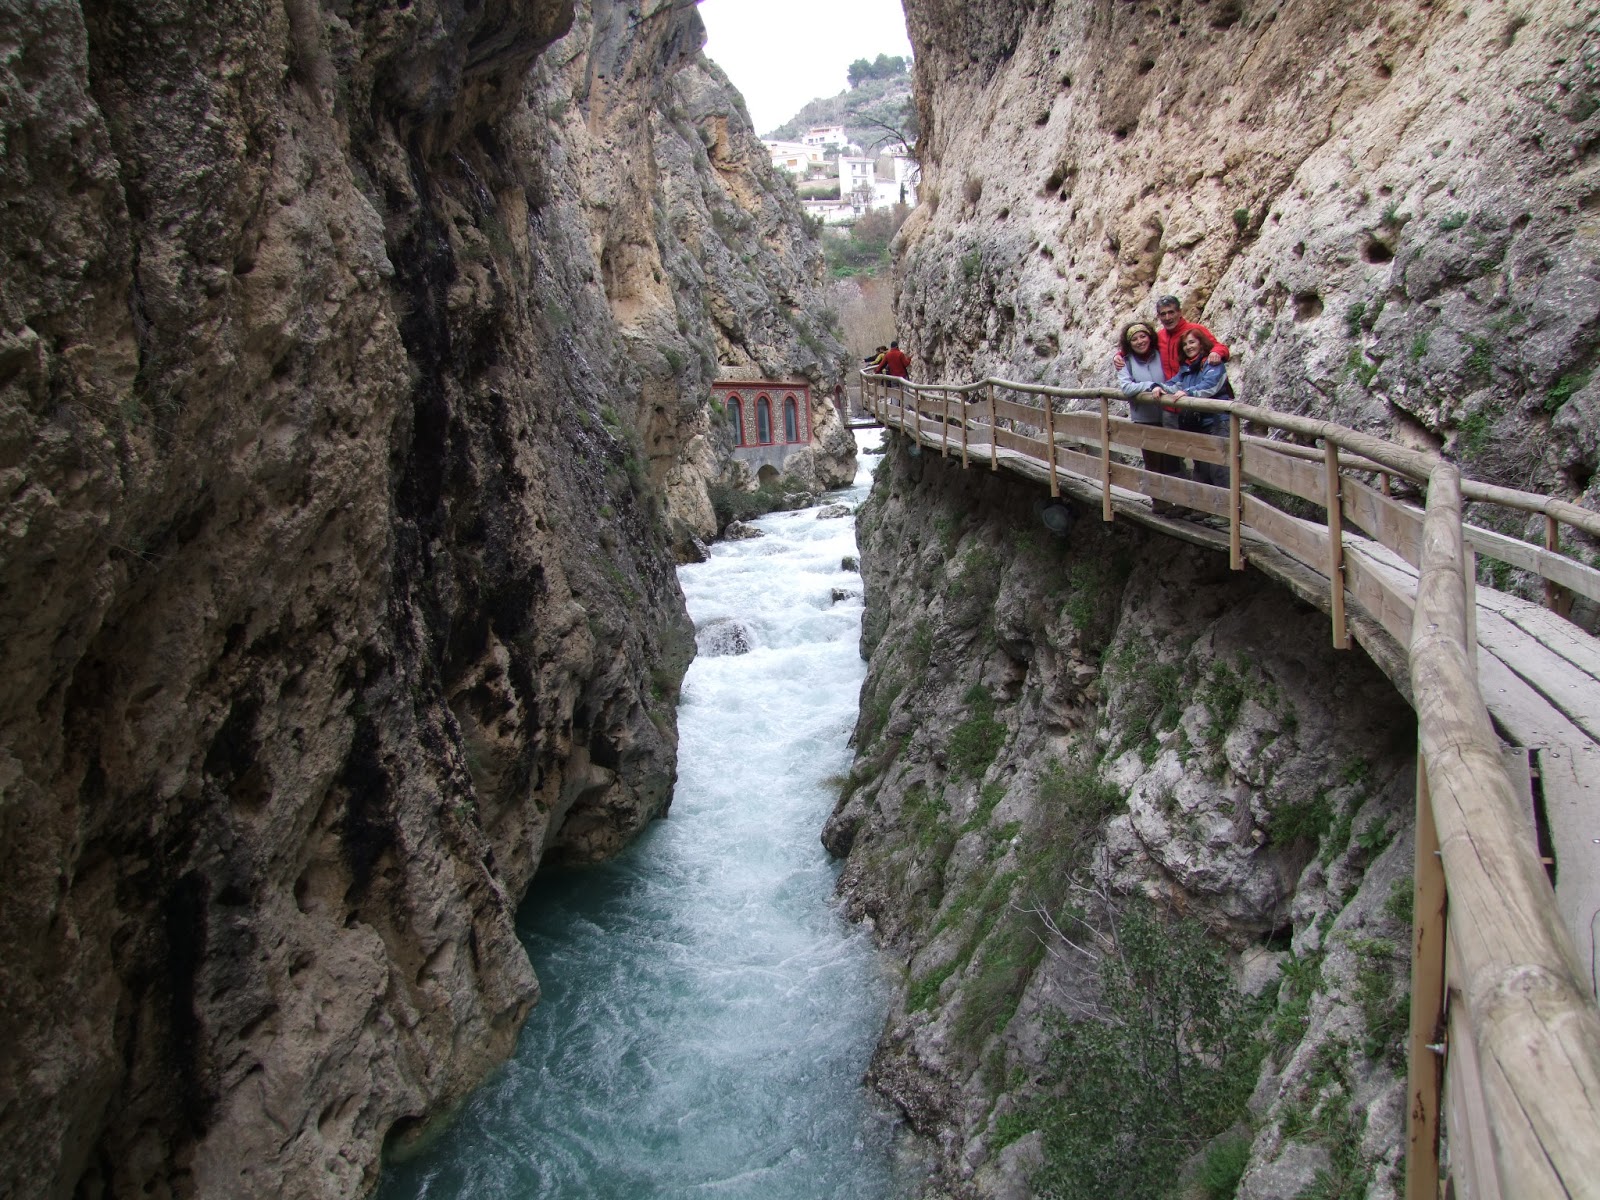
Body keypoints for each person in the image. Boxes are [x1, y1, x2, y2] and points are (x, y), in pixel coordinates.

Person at [1115, 320, 1185, 515]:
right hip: (1145, 417)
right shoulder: (1125, 361)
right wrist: (1150, 386)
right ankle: (1159, 500)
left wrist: (1163, 388)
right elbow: (1127, 387)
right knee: (1153, 461)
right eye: (1134, 339)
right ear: (1129, 343)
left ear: (1150, 337)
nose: (1140, 341)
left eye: (1143, 336)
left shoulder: (1161, 354)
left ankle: (1180, 500)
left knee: (1173, 459)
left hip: (1170, 414)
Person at [1166, 328, 1233, 491]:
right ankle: (1205, 505)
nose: (1188, 347)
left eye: (1192, 342)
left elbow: (1210, 386)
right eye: (1185, 344)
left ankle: (1225, 506)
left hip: (1217, 421)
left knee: (1219, 468)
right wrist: (1154, 387)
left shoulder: (1212, 363)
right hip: (1198, 423)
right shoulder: (1187, 369)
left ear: (1201, 343)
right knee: (1201, 468)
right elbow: (1173, 384)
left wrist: (1188, 393)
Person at [1114, 294, 1230, 377]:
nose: (1167, 318)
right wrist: (1119, 355)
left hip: (1193, 392)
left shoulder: (1195, 330)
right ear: (1158, 317)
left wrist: (1216, 352)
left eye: (1171, 312)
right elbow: (1140, 346)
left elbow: (1221, 347)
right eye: (1163, 314)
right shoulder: (1159, 336)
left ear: (1179, 312)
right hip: (1170, 396)